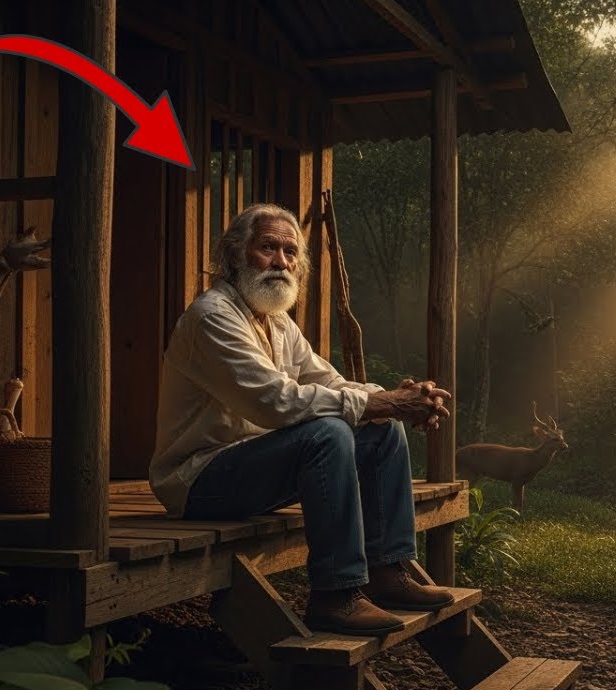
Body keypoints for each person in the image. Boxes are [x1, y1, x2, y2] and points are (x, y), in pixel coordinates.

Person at [150, 203, 454, 637]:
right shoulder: (212, 317)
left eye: (290, 252)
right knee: (328, 432)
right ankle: (337, 596)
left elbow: (330, 383)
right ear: (235, 254)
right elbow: (276, 403)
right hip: (199, 481)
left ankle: (389, 573)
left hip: (256, 467)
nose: (281, 262)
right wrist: (387, 401)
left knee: (382, 429)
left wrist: (395, 400)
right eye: (267, 248)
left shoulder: (277, 323)